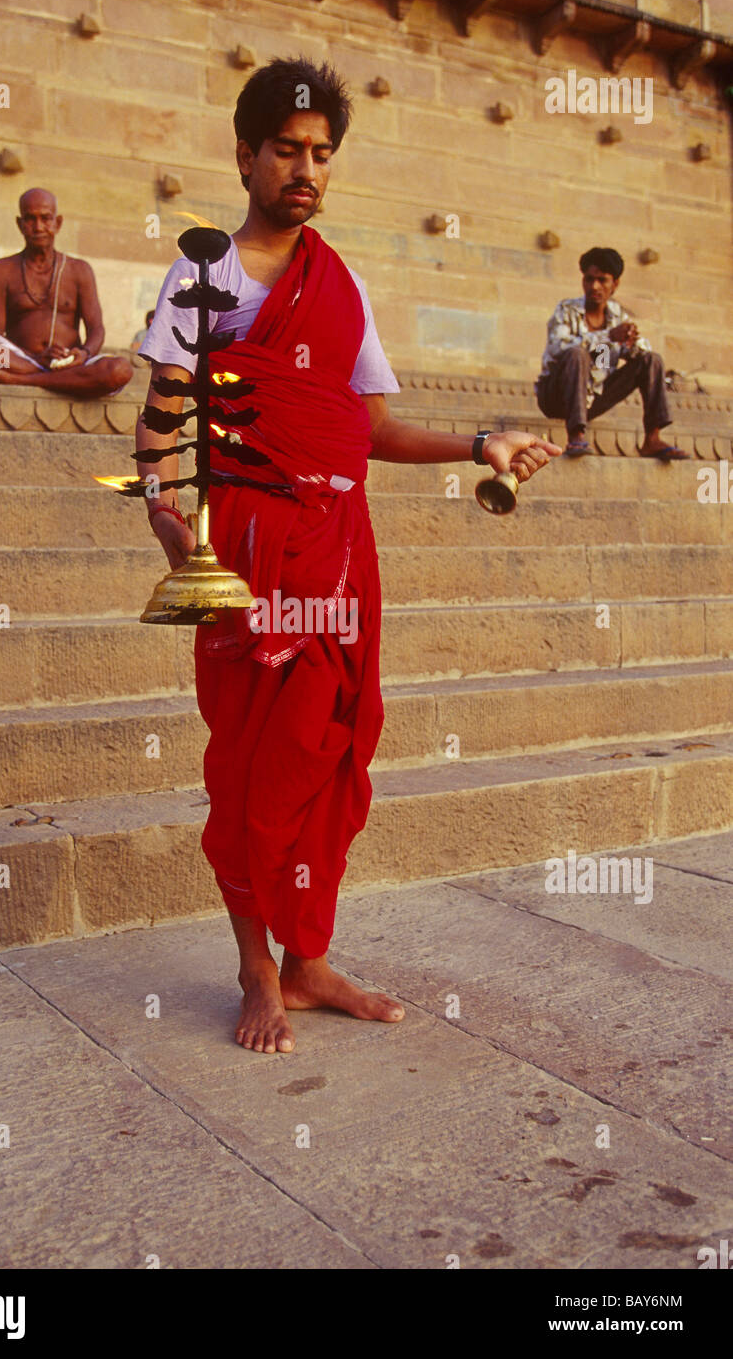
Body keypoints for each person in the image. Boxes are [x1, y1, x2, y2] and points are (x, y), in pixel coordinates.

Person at [135, 57, 561, 1055]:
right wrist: (162, 508)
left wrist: (480, 443)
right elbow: (160, 408)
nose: (305, 168)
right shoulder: (206, 271)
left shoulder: (341, 282)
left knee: (331, 744)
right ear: (245, 156)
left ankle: (309, 957)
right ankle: (254, 969)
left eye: (321, 152)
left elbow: (370, 427)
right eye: (286, 149)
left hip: (339, 546)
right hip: (246, 543)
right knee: (250, 758)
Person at [0, 188, 132, 398]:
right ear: (20, 224)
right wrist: (36, 358)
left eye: (45, 218)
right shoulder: (1, 270)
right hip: (22, 360)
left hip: (70, 363)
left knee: (120, 370)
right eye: (30, 219)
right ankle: (58, 380)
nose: (38, 227)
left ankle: (17, 380)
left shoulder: (79, 269)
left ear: (58, 223)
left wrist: (83, 354)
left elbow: (97, 329)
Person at [535, 246, 686, 459]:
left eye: (602, 280)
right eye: (589, 279)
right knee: (577, 354)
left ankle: (652, 438)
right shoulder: (566, 310)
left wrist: (632, 342)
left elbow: (637, 354)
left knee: (652, 359)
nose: (594, 286)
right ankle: (576, 435)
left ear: (614, 284)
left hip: (594, 397)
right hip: (555, 396)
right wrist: (608, 336)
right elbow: (558, 347)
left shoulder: (617, 316)